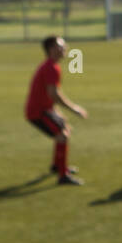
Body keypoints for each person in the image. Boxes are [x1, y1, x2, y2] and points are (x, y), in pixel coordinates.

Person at [25, 35, 87, 186]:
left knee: (65, 128)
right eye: (61, 46)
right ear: (51, 49)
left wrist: (57, 113)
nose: (65, 48)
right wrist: (74, 109)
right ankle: (62, 176)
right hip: (38, 112)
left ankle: (57, 166)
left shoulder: (52, 66)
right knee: (62, 136)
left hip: (45, 109)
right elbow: (54, 94)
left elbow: (49, 95)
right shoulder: (51, 68)